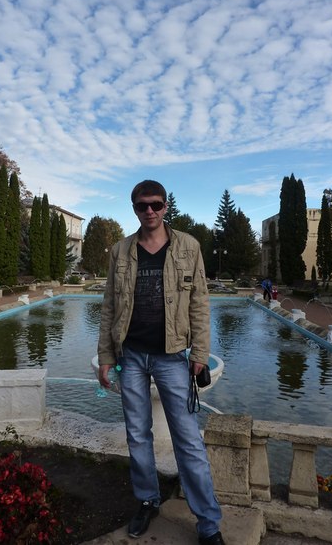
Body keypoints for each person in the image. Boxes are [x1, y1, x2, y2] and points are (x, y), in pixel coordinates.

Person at [97, 180, 225, 545]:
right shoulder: (120, 251)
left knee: (188, 440)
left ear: (166, 206)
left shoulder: (188, 246)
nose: (149, 211)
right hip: (131, 356)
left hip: (172, 358)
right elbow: (109, 306)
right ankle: (147, 500)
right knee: (138, 435)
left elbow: (199, 302)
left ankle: (208, 524)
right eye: (142, 206)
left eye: (155, 204)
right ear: (134, 209)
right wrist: (106, 356)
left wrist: (199, 353)